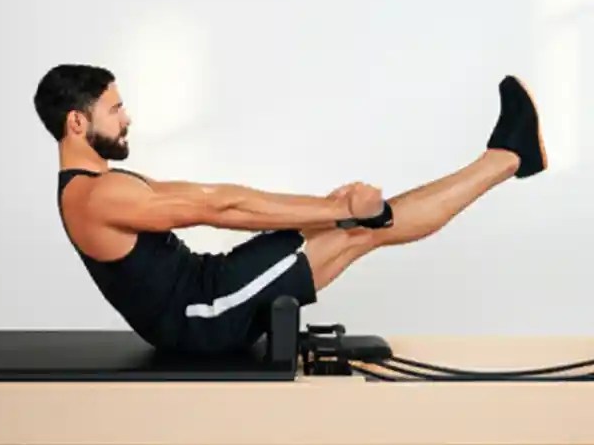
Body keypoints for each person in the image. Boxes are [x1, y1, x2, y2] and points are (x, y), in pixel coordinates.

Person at [34, 64, 545, 356]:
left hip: (211, 292)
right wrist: (336, 208)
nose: (128, 119)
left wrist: (332, 208)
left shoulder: (100, 185)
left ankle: (507, 157)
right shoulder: (96, 197)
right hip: (206, 317)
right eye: (115, 109)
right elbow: (220, 206)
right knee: (358, 231)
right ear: (77, 123)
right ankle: (507, 158)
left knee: (357, 225)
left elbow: (220, 199)